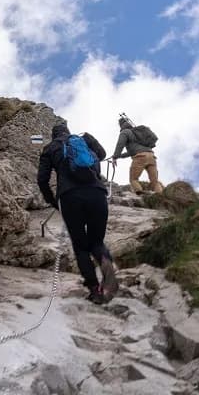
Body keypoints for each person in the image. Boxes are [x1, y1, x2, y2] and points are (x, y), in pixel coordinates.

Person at [36, 122, 119, 305]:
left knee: (80, 246)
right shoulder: (84, 139)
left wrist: (53, 201)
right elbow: (102, 154)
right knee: (96, 241)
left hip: (69, 197)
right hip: (97, 193)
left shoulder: (50, 148)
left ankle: (95, 290)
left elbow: (42, 180)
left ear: (53, 135)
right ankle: (106, 265)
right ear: (68, 131)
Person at [110, 117, 164, 195]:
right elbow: (131, 152)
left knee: (133, 179)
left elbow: (120, 144)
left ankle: (140, 195)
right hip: (151, 156)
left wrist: (115, 156)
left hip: (140, 157)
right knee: (154, 181)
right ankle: (160, 196)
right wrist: (119, 156)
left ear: (121, 125)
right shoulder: (138, 133)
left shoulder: (125, 132)